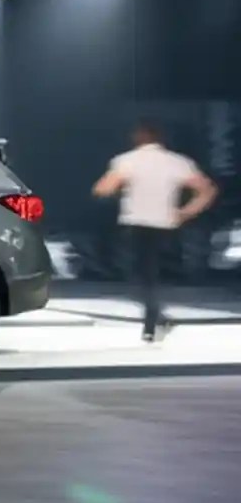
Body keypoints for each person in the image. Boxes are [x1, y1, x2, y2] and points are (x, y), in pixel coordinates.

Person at [92, 119, 217, 341]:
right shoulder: (178, 162)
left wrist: (121, 193)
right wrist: (186, 212)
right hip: (166, 223)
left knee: (141, 275)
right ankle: (155, 319)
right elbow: (207, 191)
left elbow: (103, 189)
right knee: (153, 273)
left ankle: (152, 323)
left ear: (138, 137)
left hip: (136, 222)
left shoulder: (126, 161)